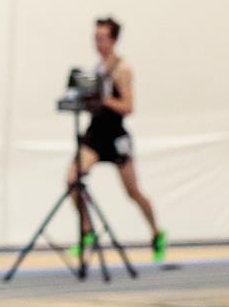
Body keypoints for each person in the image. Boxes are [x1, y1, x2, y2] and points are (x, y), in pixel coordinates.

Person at [71, 16, 167, 262]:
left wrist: (104, 100)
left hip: (114, 136)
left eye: (102, 38)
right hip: (95, 133)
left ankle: (156, 232)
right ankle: (87, 230)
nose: (97, 43)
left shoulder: (122, 69)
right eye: (95, 38)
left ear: (113, 40)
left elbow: (128, 106)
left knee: (132, 191)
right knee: (73, 180)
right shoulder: (96, 69)